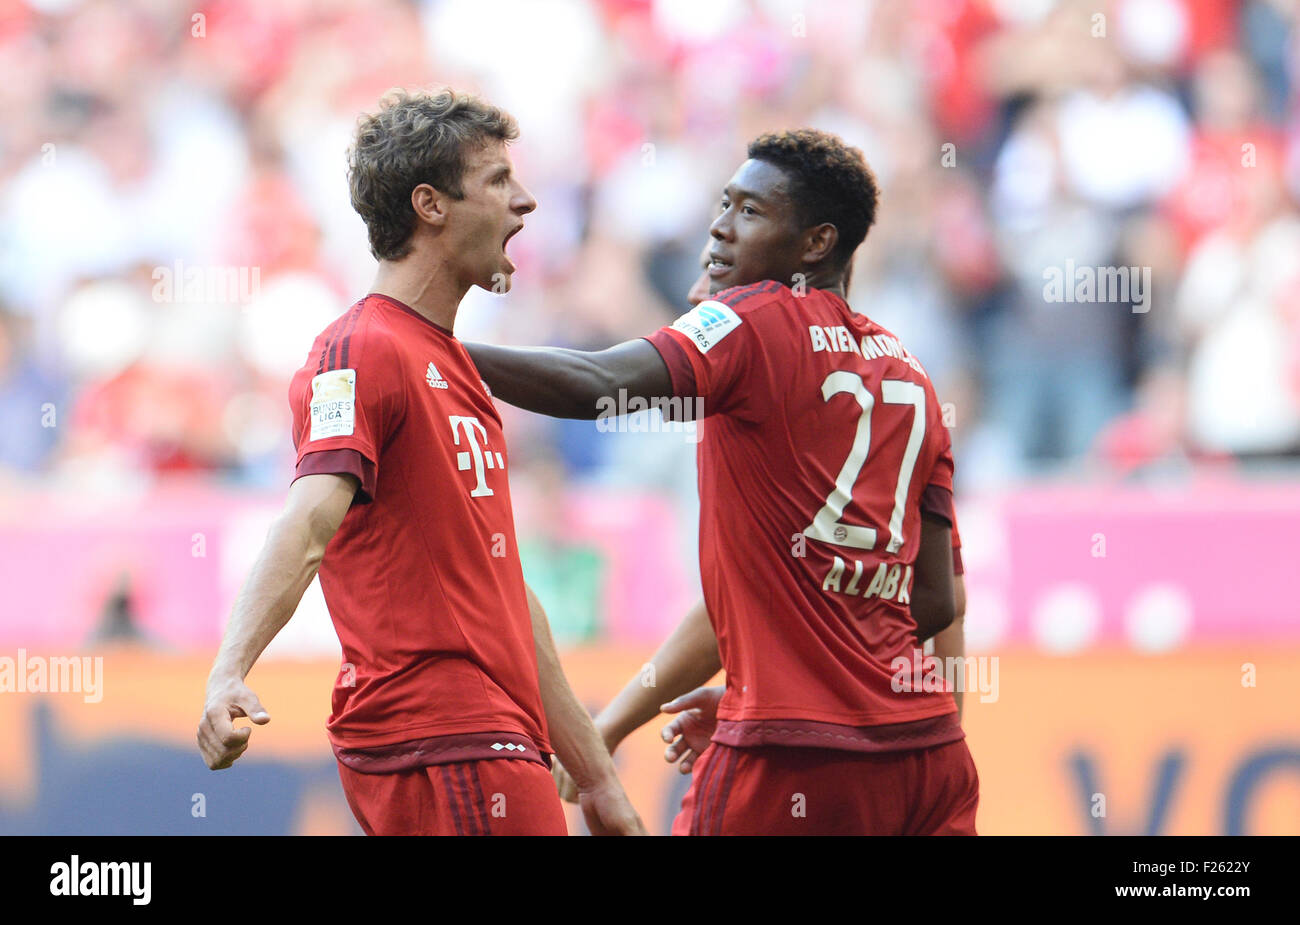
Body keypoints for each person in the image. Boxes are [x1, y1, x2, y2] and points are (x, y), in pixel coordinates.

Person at [466, 129, 979, 834]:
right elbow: (934, 599)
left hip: (786, 754)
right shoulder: (913, 376)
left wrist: (436, 344)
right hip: (924, 754)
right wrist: (763, 672)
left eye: (748, 210)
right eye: (723, 203)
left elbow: (599, 382)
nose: (719, 225)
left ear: (816, 243)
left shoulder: (754, 319)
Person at [197, 88, 645, 837]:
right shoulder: (357, 350)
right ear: (431, 205)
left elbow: (504, 593)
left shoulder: (456, 364)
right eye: (499, 180)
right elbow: (308, 519)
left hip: (493, 742)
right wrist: (229, 667)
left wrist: (596, 774)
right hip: (446, 742)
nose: (526, 202)